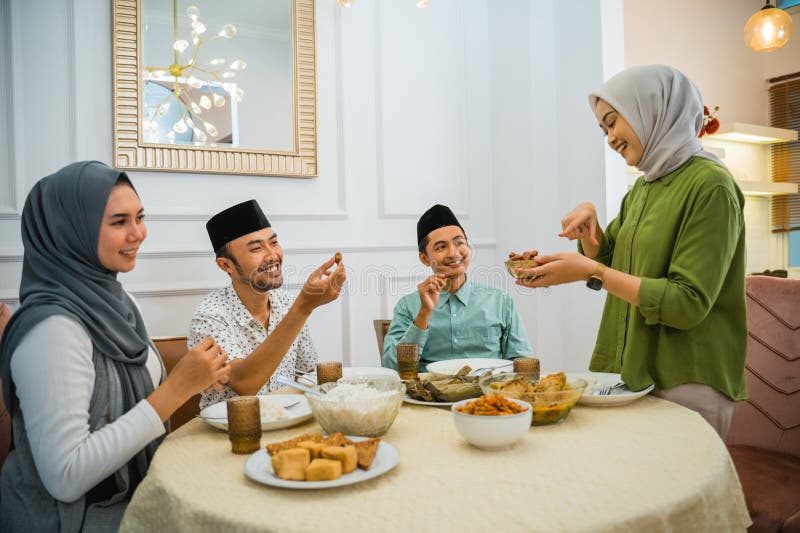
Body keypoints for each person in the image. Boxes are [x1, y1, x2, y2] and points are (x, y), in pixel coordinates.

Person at [515, 65, 747, 438]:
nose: (609, 138)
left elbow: (686, 302)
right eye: (603, 129)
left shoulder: (711, 187)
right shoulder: (644, 188)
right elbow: (616, 264)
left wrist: (591, 271)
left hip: (687, 380)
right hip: (636, 371)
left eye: (612, 122)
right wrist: (592, 236)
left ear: (652, 110)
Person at [0, 161, 230, 531]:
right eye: (119, 222)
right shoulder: (52, 329)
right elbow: (66, 476)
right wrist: (177, 388)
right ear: (69, 231)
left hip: (133, 499)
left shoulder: (120, 301)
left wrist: (197, 377)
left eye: (140, 217)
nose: (138, 233)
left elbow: (131, 403)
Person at [189, 200, 346, 409]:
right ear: (226, 265)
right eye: (256, 248)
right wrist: (304, 307)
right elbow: (245, 384)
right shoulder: (209, 316)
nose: (273, 255)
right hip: (230, 434)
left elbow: (307, 375)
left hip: (288, 423)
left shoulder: (286, 303)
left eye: (273, 242)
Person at [382, 204, 532, 370]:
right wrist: (424, 313)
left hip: (487, 394)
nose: (453, 253)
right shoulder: (408, 306)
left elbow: (523, 364)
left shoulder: (501, 301)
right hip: (430, 395)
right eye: (441, 247)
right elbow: (392, 367)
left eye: (459, 243)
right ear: (424, 258)